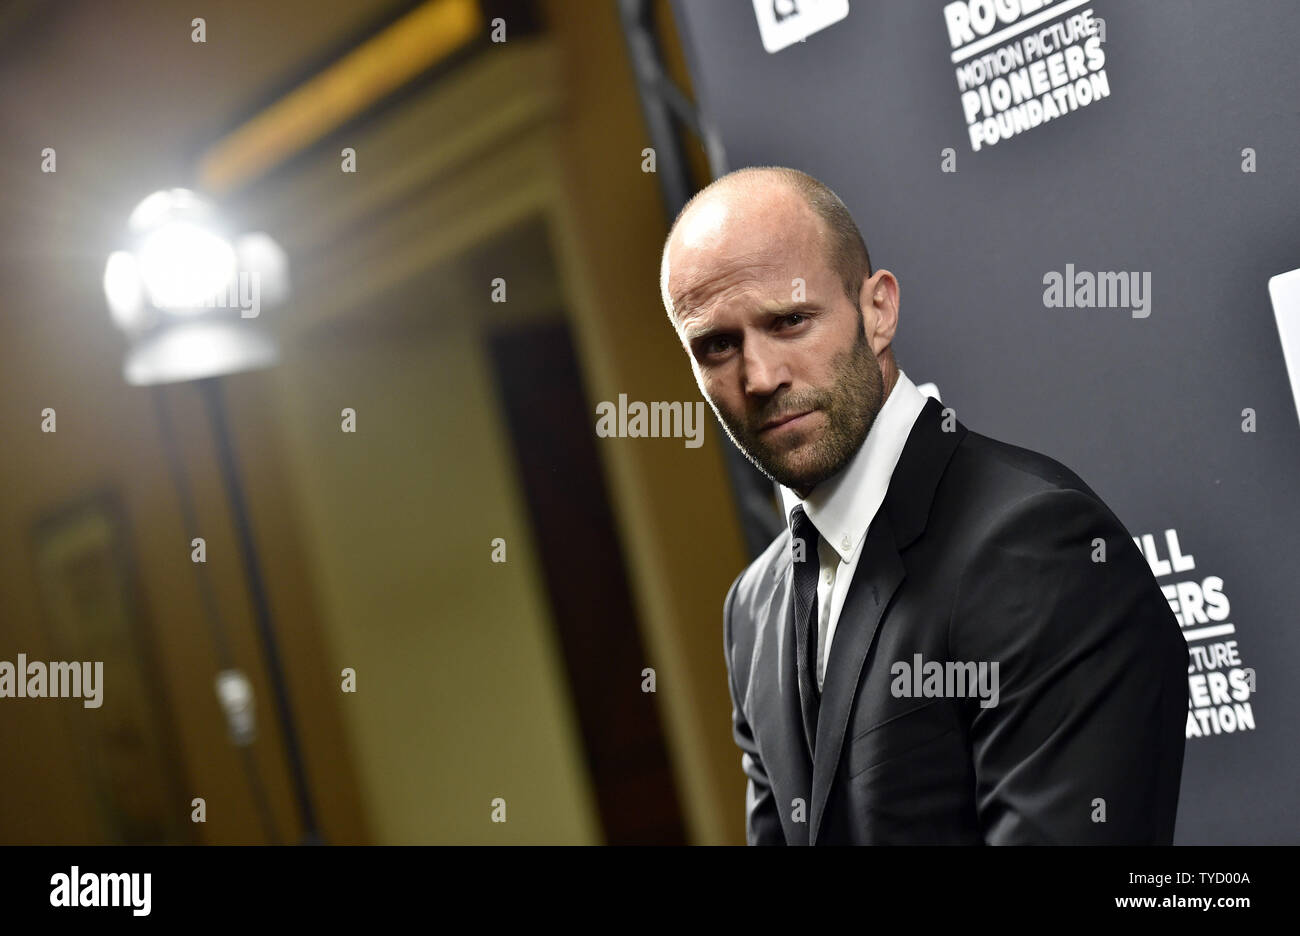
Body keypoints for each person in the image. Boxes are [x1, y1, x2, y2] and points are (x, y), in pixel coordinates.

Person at [659, 166, 1188, 845]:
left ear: (878, 310)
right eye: (717, 346)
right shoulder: (752, 611)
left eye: (789, 321)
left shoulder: (1034, 546)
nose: (759, 377)